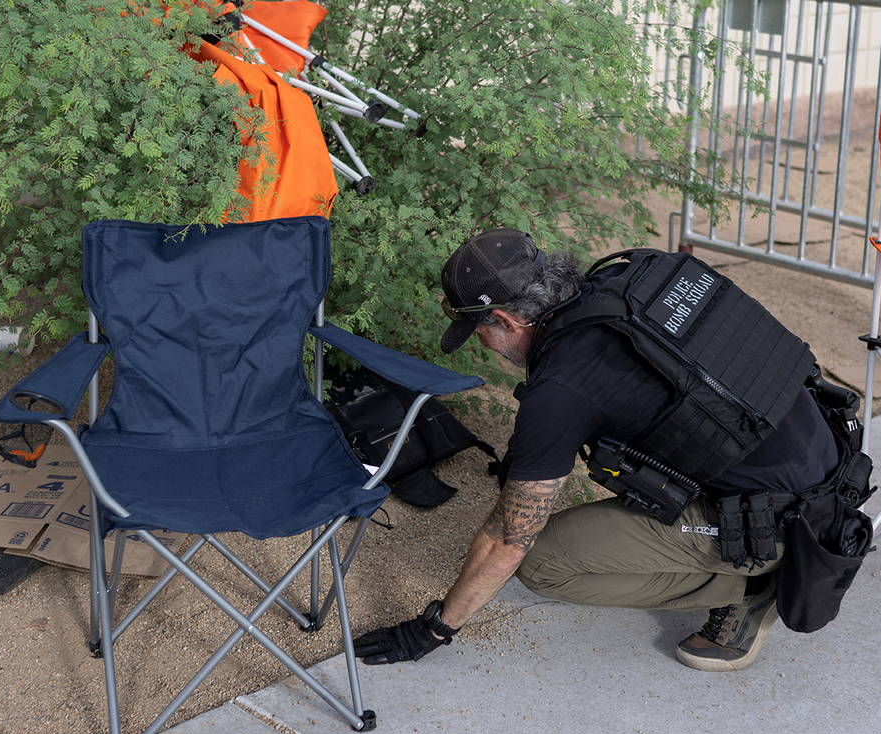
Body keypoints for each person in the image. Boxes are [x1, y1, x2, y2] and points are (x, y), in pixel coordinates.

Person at [352, 229, 841, 671]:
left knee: (542, 564)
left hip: (781, 522)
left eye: (479, 332)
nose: (483, 345)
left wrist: (434, 629)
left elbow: (509, 539)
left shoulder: (561, 388)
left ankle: (752, 584)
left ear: (505, 319)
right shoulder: (627, 280)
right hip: (828, 458)